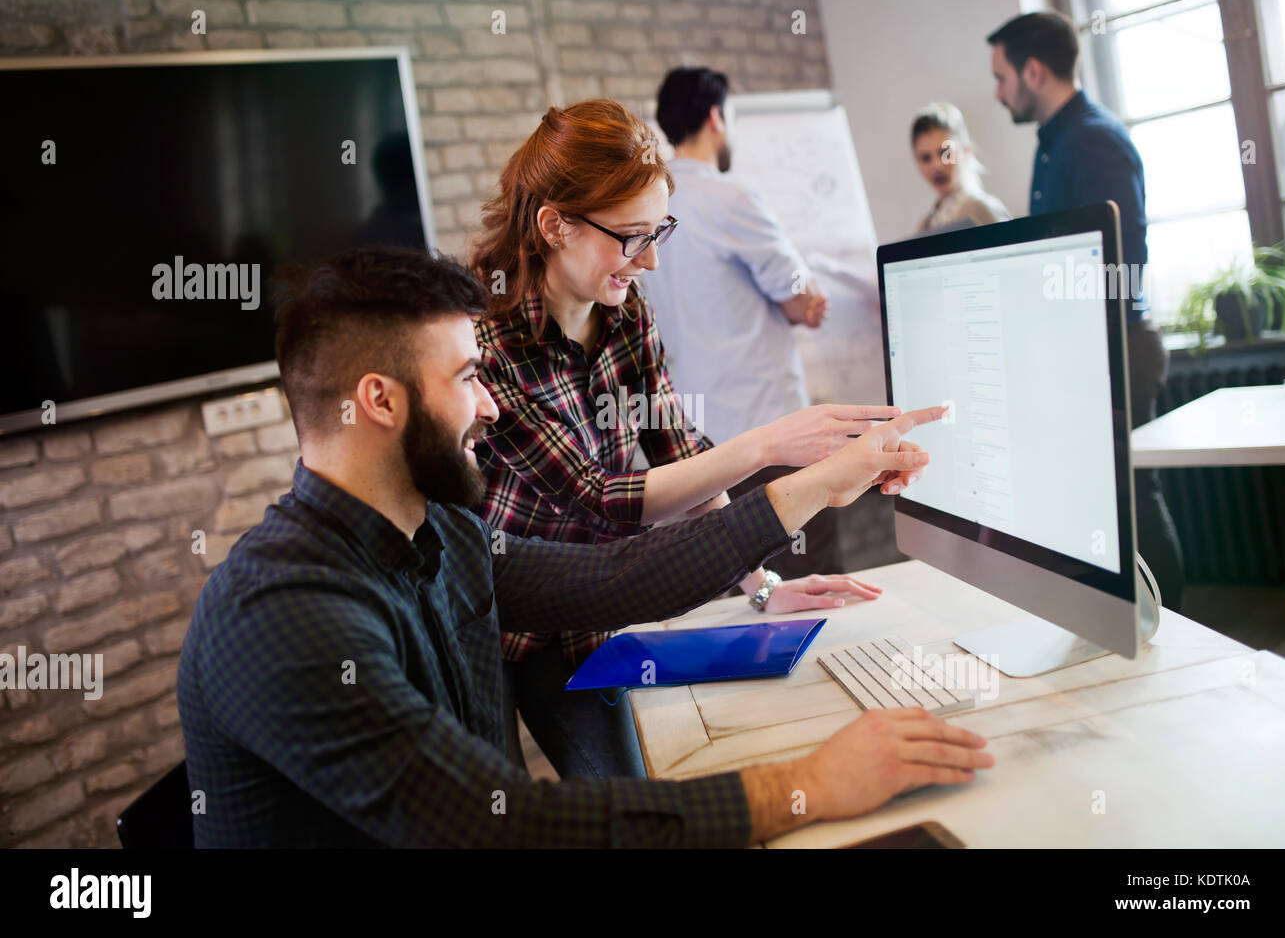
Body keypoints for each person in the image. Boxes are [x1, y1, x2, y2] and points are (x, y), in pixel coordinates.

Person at [176, 245, 991, 847]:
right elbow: (502, 829)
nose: (491, 407)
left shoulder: (438, 529)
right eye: (466, 378)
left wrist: (812, 485)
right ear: (379, 401)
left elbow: (612, 577)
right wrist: (808, 785)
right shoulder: (279, 616)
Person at [469, 99, 905, 780]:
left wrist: (758, 587)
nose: (647, 263)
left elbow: (678, 449)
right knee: (494, 806)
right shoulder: (487, 341)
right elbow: (599, 497)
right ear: (554, 225)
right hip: (494, 617)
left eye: (656, 234)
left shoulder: (623, 312)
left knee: (626, 792)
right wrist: (766, 446)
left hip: (590, 613)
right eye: (628, 238)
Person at [987, 10, 1185, 610]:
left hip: (1115, 348)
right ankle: (1121, 624)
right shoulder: (1053, 144)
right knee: (1099, 503)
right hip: (1081, 353)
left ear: (1035, 70)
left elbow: (1123, 261)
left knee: (1131, 498)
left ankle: (1168, 626)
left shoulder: (1093, 139)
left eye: (1001, 78)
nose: (997, 93)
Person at [649, 67, 845, 580]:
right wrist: (806, 300)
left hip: (700, 463)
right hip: (772, 442)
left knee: (739, 598)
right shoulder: (731, 197)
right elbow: (801, 300)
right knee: (809, 584)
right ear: (716, 116)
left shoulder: (649, 209)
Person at [910, 101, 1011, 232]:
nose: (937, 166)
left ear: (966, 151)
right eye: (926, 158)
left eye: (945, 153)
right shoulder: (924, 226)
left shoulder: (982, 210)